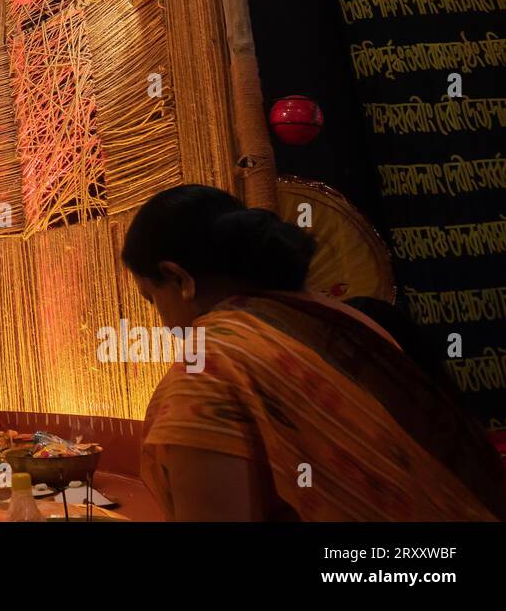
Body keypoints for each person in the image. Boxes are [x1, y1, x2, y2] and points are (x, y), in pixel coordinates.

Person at [121, 184, 506, 522]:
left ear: (179, 279)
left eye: (153, 299)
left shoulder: (210, 366)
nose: (165, 325)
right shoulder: (348, 318)